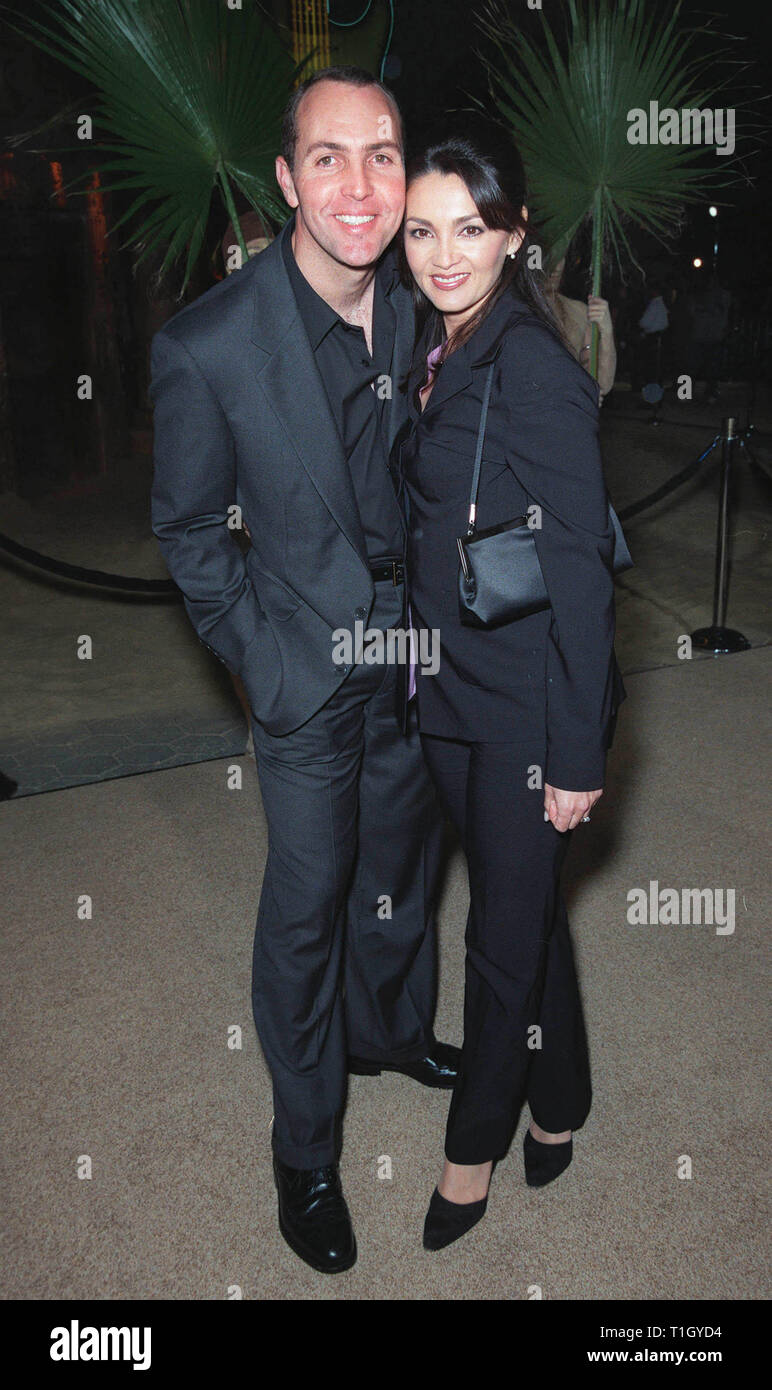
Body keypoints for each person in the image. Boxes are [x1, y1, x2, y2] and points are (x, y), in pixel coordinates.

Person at [149, 66, 460, 1276]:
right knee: (307, 898)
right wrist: (259, 657)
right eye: (326, 156)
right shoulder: (208, 345)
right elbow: (185, 531)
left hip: (416, 647)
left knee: (404, 855)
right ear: (285, 179)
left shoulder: (430, 301)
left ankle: (391, 1031)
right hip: (304, 661)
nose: (358, 182)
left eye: (381, 153)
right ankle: (305, 1147)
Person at [395, 126, 624, 1250]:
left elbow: (582, 571)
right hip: (449, 691)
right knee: (525, 910)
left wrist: (579, 754)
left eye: (469, 230)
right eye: (422, 229)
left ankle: (472, 1145)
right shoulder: (436, 343)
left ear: (513, 234)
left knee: (498, 935)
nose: (443, 254)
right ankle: (564, 1095)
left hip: (530, 708)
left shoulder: (531, 366)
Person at [546, 256, 617, 402]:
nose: (557, 267)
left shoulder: (577, 311)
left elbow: (601, 384)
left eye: (562, 255)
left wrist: (606, 330)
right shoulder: (511, 309)